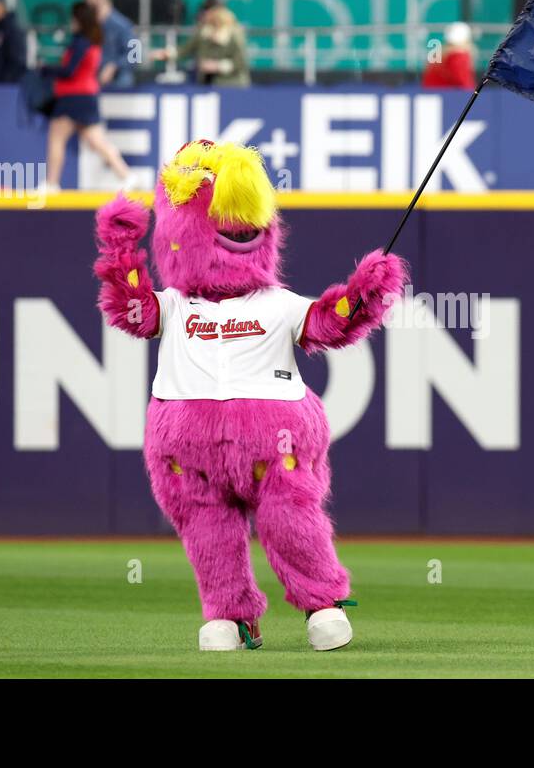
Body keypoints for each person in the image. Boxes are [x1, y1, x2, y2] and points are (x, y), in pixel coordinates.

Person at [92, 141, 407, 651]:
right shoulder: (175, 306)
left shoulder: (276, 304)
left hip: (274, 444)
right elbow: (132, 310)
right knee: (206, 529)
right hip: (188, 453)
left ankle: (322, 604)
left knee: (289, 518)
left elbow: (331, 323)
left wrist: (364, 292)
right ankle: (229, 615)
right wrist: (120, 250)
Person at [42, 1, 131, 192]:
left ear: (79, 20)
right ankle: (126, 175)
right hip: (87, 96)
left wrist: (45, 69)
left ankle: (51, 183)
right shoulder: (93, 41)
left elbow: (68, 71)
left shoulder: (80, 42)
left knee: (56, 139)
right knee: (97, 140)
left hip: (72, 97)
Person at [152, 0, 249, 87]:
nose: (207, 14)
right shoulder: (203, 32)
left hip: (232, 85)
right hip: (207, 86)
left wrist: (217, 66)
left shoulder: (235, 33)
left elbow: (241, 62)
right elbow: (185, 50)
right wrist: (166, 54)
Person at [84, 0, 136, 89]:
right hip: (92, 81)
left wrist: (114, 66)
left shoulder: (123, 24)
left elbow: (135, 54)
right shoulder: (88, 24)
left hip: (117, 82)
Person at [421, 21, 476, 89]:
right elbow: (464, 84)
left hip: (433, 95)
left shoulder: (437, 55)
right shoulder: (459, 56)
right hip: (448, 96)